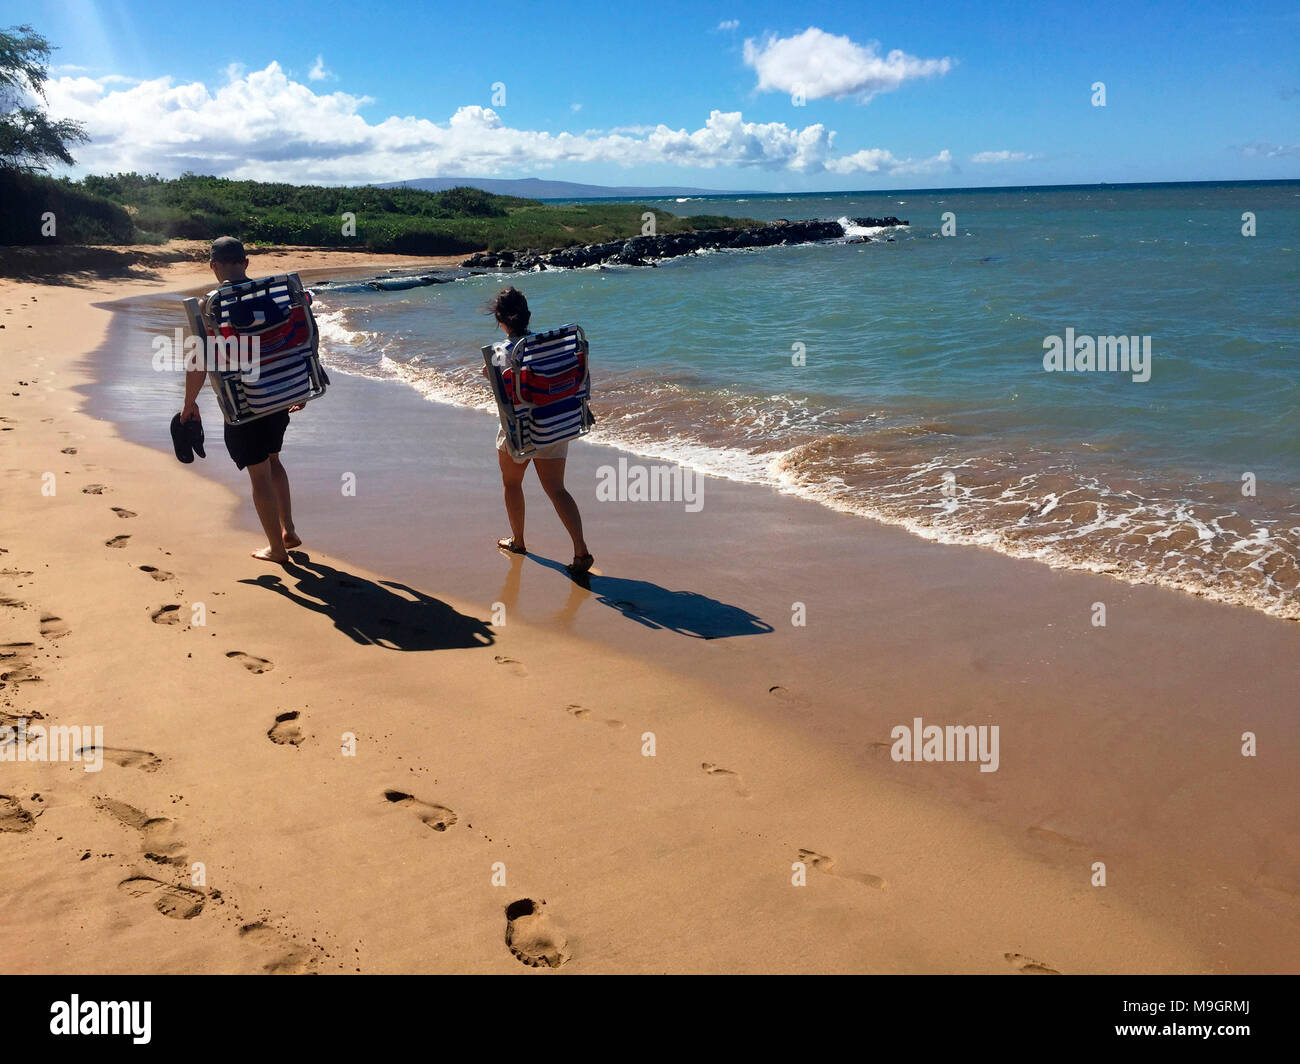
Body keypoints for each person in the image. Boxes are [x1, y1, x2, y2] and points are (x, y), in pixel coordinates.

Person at [180, 236, 302, 563]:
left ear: (213, 266)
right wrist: (299, 387)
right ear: (246, 263)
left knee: (258, 474)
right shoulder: (272, 295)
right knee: (273, 461)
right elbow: (294, 343)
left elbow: (199, 362)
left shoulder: (213, 306)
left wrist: (189, 404)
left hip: (244, 403)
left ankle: (277, 550)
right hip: (279, 395)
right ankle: (288, 529)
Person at [484, 287, 593, 575]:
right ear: (528, 315)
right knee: (557, 489)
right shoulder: (545, 346)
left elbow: (495, 383)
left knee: (512, 483)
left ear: (500, 319)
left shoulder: (500, 351)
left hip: (519, 432)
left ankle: (518, 541)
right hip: (553, 424)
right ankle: (580, 549)